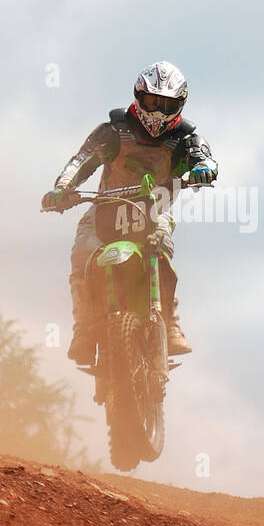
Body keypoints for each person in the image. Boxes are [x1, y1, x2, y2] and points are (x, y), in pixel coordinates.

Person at [41, 60, 217, 364]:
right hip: (105, 206)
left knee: (161, 242)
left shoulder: (186, 139)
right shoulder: (114, 131)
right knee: (83, 250)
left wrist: (203, 170)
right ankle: (84, 328)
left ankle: (169, 322)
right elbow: (82, 159)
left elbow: (205, 159)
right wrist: (63, 188)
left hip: (154, 210)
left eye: (167, 104)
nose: (159, 112)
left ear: (180, 104)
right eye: (153, 102)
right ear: (138, 95)